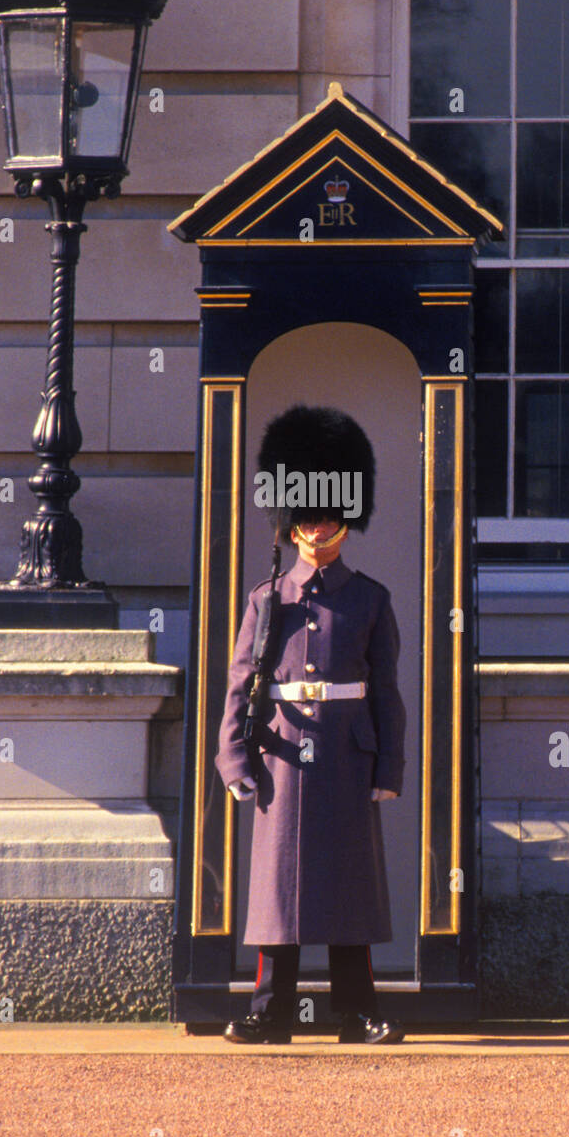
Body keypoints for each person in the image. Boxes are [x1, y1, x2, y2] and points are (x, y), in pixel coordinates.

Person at [215, 405, 407, 1044]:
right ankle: (271, 1011)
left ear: (345, 520)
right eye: (308, 513)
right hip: (283, 753)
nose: (319, 524)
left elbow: (386, 692)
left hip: (349, 755)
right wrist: (235, 760)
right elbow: (242, 685)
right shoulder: (268, 600)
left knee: (351, 886)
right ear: (291, 520)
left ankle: (356, 1010)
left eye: (330, 513)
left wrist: (390, 767)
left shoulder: (370, 599)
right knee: (280, 889)